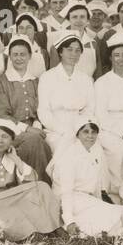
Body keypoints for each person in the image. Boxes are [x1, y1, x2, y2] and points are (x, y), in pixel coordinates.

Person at [0, 119, 63, 241]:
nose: (0, 140)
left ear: (11, 141)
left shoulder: (11, 158)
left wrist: (16, 159)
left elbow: (32, 180)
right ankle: (28, 233)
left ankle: (55, 226)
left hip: (9, 200)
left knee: (41, 186)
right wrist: (1, 200)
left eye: (5, 137)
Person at [47, 118, 123, 238]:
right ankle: (69, 226)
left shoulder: (95, 151)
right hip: (69, 200)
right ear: (77, 134)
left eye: (94, 132)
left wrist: (99, 203)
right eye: (85, 132)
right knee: (118, 215)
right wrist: (69, 220)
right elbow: (66, 192)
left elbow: (96, 185)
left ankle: (91, 228)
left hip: (86, 199)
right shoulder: (70, 156)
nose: (90, 136)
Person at [0, 28, 54, 178]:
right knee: (35, 141)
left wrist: (37, 125)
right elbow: (2, 114)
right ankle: (38, 184)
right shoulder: (2, 82)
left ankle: (36, 183)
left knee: (43, 141)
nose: (19, 58)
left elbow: (41, 107)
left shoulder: (35, 81)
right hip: (11, 129)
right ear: (10, 57)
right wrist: (28, 129)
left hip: (35, 129)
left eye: (23, 54)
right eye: (15, 55)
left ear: (30, 56)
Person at [93, 32, 123, 195]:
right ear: (111, 58)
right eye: (117, 55)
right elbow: (100, 114)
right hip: (108, 130)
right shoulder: (102, 82)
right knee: (121, 152)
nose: (121, 59)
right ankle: (120, 195)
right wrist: (122, 133)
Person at [38, 31, 97, 159]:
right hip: (55, 130)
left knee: (94, 150)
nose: (73, 54)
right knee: (66, 150)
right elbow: (44, 111)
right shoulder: (48, 77)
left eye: (77, 51)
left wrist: (81, 129)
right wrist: (63, 130)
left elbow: (89, 109)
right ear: (60, 52)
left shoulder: (85, 79)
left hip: (81, 128)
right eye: (69, 50)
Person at [62, 0, 101, 78]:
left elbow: (98, 74)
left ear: (87, 20)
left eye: (82, 17)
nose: (78, 21)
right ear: (68, 19)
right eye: (74, 17)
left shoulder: (93, 44)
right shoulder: (60, 42)